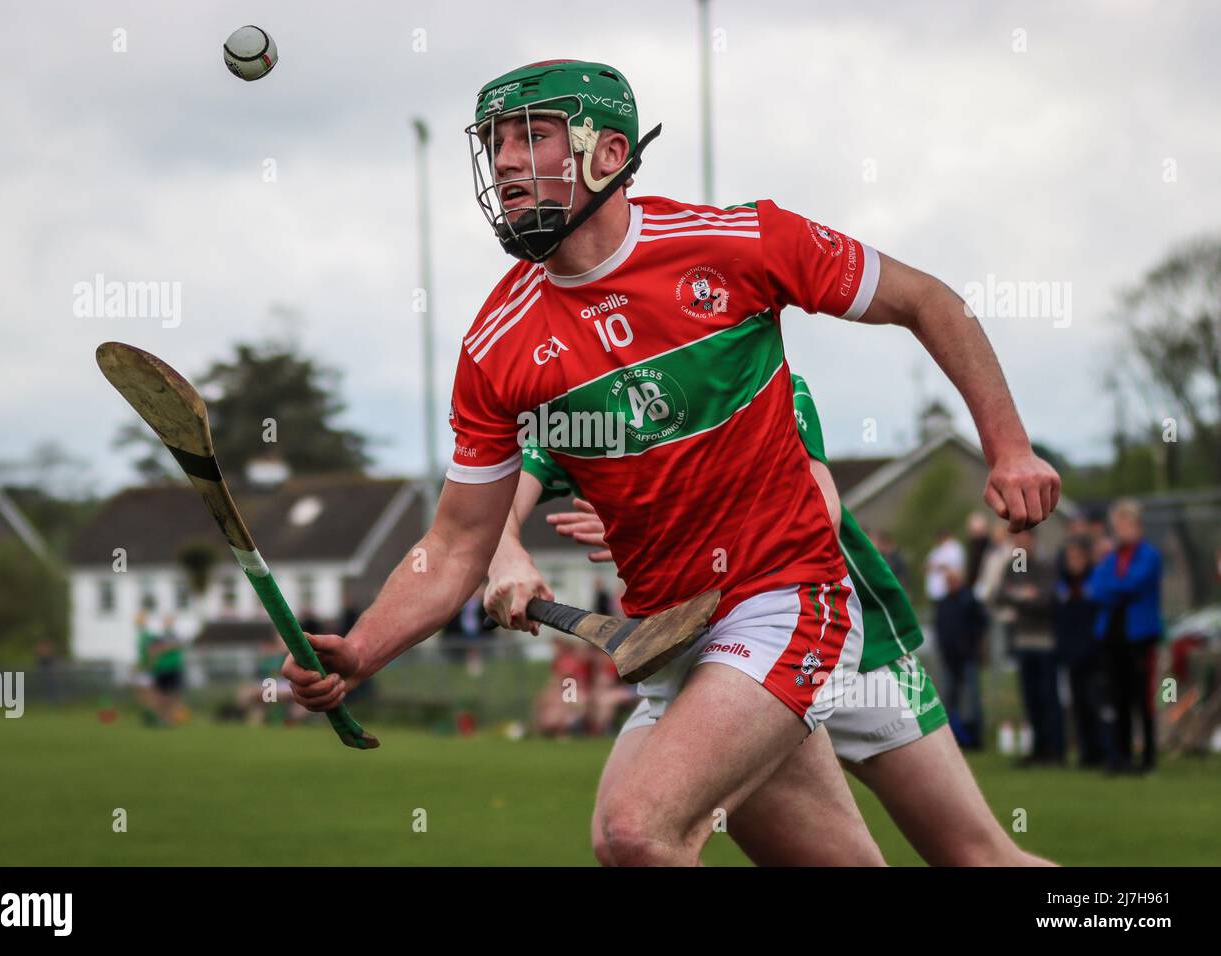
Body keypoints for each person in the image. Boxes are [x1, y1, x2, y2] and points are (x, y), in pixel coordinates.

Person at [281, 58, 1060, 866]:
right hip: (679, 640)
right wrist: (363, 649)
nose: (505, 161)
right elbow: (453, 548)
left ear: (609, 155)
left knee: (640, 829)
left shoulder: (740, 246)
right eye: (496, 142)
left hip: (786, 599)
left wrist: (1007, 449)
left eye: (533, 137)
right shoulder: (499, 346)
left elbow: (927, 299)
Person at [489, 371, 1052, 865]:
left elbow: (817, 518)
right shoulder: (587, 407)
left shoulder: (752, 373)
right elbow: (492, 503)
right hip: (716, 658)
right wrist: (504, 550)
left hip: (853, 650)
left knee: (977, 857)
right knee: (624, 840)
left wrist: (669, 531)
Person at [1087, 499, 1162, 774]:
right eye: (1117, 525)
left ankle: (1148, 757)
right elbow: (1094, 587)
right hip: (1112, 636)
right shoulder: (1111, 558)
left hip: (1139, 637)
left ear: (1137, 526)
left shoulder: (1149, 555)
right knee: (1116, 697)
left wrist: (1112, 588)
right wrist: (1113, 587)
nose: (1120, 530)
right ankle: (1120, 756)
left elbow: (1132, 584)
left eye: (1125, 524)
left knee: (1140, 698)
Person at [993, 530, 1064, 765]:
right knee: (1030, 698)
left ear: (1034, 541)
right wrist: (1025, 595)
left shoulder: (1045, 566)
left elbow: (1045, 599)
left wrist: (1022, 596)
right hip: (1023, 640)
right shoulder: (1013, 567)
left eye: (1024, 540)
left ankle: (1055, 749)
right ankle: (1038, 748)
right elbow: (1000, 594)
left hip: (1044, 641)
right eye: (1017, 540)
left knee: (1048, 697)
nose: (1020, 544)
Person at [1053, 537, 1103, 768]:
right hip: (1071, 654)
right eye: (1070, 558)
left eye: (1077, 558)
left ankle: (1100, 750)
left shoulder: (1094, 584)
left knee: (1095, 702)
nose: (1073, 562)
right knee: (1078, 705)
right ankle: (1085, 752)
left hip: (1092, 654)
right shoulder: (1062, 587)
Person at [935, 567, 988, 750]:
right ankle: (954, 737)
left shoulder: (969, 600)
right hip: (950, 659)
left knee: (972, 699)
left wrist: (971, 646)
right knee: (950, 699)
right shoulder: (943, 603)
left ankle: (975, 737)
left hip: (967, 658)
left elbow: (981, 625)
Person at [925, 528, 967, 608]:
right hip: (936, 592)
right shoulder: (937, 550)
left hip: (948, 591)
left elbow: (953, 566)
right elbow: (927, 565)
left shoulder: (955, 548)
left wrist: (937, 566)